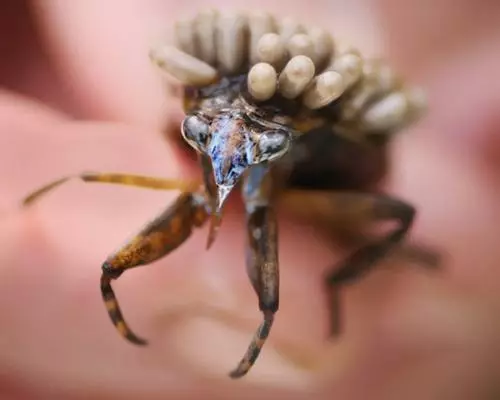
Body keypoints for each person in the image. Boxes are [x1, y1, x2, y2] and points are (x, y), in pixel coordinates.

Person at [1, 1, 500, 398]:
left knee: (367, 239)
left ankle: (319, 291)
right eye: (199, 134)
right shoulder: (196, 107)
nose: (226, 159)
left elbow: (396, 214)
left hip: (325, 185)